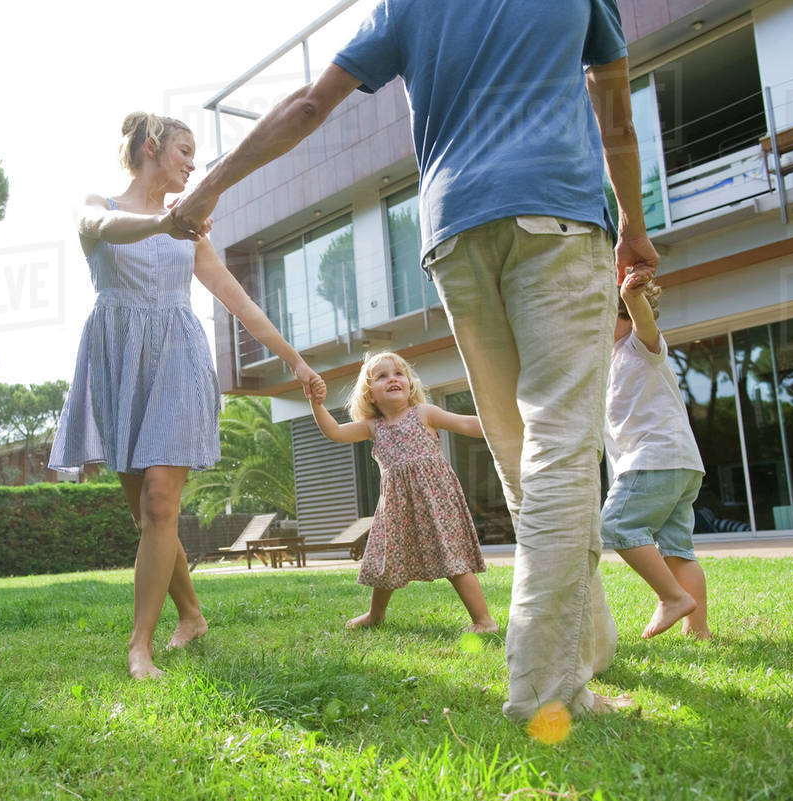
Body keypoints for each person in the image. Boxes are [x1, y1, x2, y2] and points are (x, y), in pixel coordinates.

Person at [171, 1, 656, 721]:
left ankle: (586, 638)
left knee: (524, 456)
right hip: (557, 211)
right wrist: (635, 232)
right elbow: (613, 114)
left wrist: (209, 183)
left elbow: (309, 105)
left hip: (455, 231)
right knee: (557, 445)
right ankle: (546, 688)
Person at [48, 112, 324, 680]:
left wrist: (295, 360)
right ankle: (192, 616)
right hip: (117, 360)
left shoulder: (191, 227)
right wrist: (165, 225)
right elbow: (103, 228)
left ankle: (140, 645)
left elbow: (236, 298)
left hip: (177, 357)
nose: (192, 165)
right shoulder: (98, 201)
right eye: (184, 152)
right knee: (147, 514)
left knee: (159, 505)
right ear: (152, 147)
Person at [309, 352, 499, 633]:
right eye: (383, 376)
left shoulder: (424, 413)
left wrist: (503, 424)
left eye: (399, 374)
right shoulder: (374, 427)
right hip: (396, 507)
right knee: (387, 561)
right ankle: (375, 615)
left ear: (410, 385)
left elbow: (466, 424)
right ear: (370, 394)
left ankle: (483, 621)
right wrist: (316, 403)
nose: (393, 379)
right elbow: (335, 431)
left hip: (435, 500)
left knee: (453, 559)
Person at [603, 267, 711, 640]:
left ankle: (671, 598)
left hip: (654, 461)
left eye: (607, 317)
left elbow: (643, 323)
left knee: (616, 526)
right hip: (677, 463)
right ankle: (698, 631)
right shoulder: (607, 364)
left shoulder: (640, 345)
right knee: (679, 549)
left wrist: (632, 298)